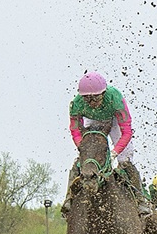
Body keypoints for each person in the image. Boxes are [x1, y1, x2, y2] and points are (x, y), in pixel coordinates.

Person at [60, 71, 151, 217]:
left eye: (95, 98)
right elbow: (75, 130)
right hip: (93, 121)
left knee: (125, 160)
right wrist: (82, 149)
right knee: (81, 161)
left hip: (115, 121)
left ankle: (141, 201)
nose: (92, 103)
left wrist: (115, 152)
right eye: (87, 99)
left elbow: (127, 131)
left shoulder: (115, 98)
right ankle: (68, 199)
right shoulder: (76, 104)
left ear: (103, 92)